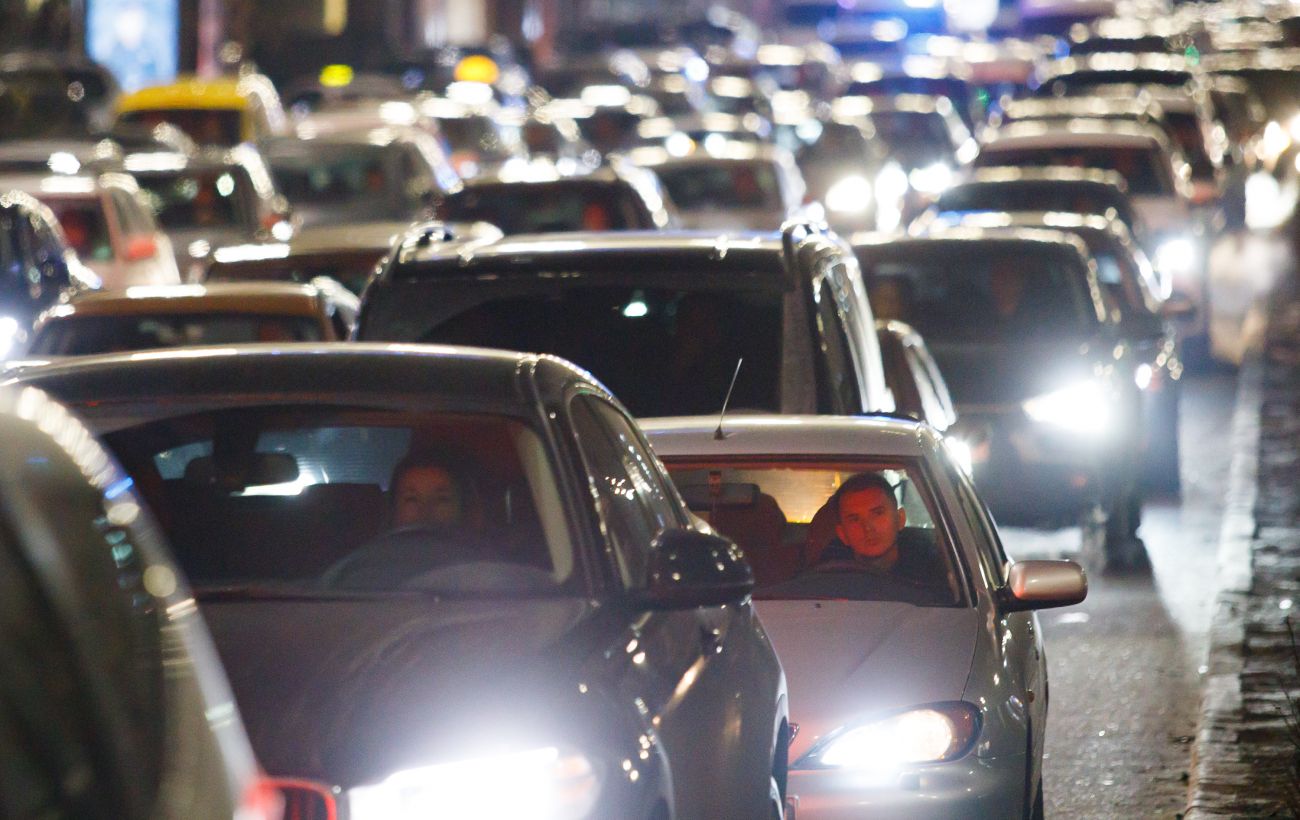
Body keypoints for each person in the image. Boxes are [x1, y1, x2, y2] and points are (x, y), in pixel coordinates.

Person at [816, 472, 944, 586]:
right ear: (842, 534)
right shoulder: (826, 580)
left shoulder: (934, 576)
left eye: (878, 513)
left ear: (900, 519)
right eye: (854, 519)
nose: (867, 527)